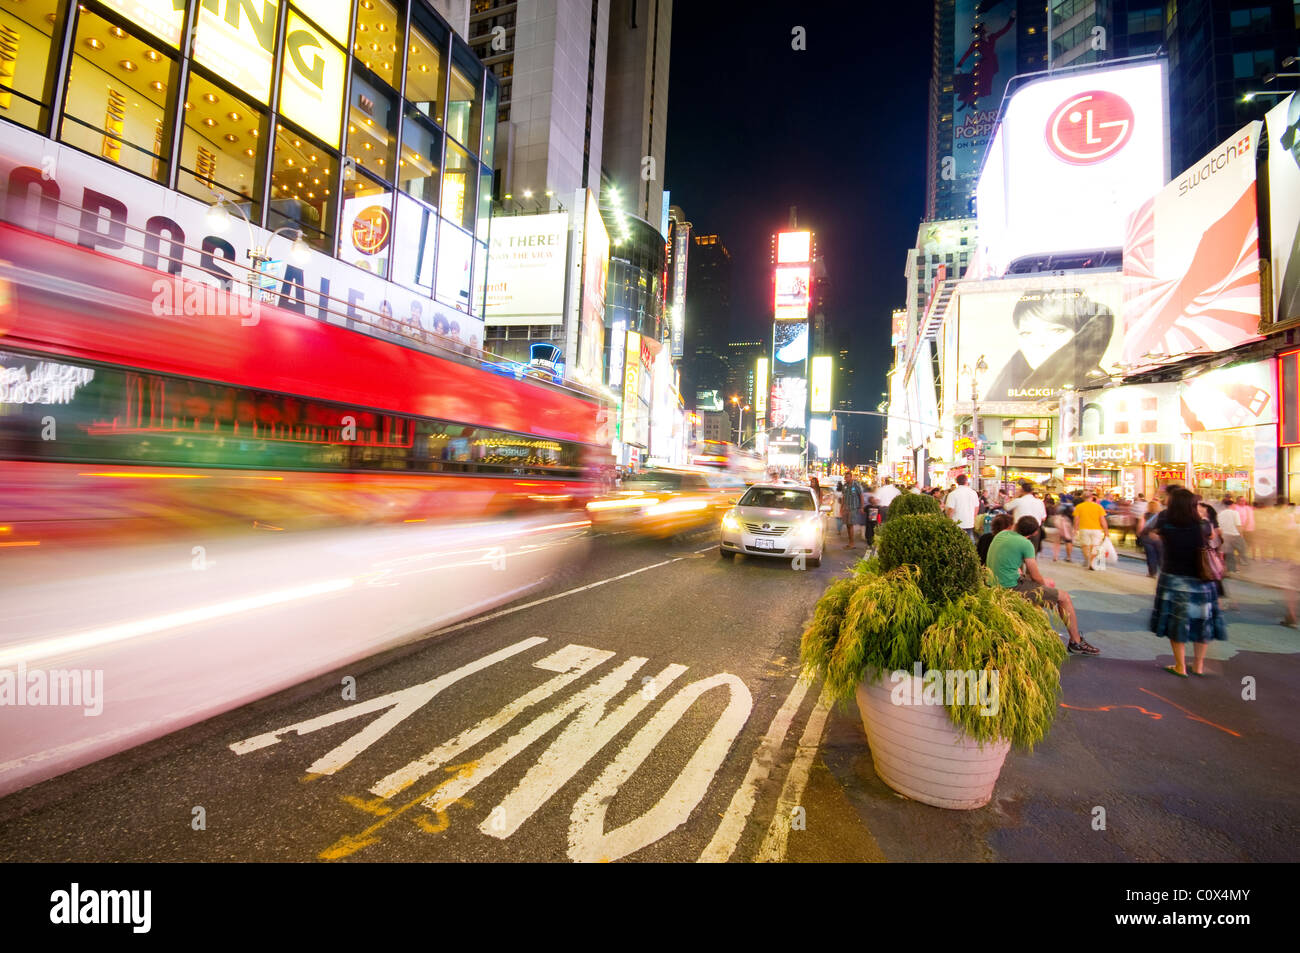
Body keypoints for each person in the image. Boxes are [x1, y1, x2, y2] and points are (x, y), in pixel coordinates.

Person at [987, 515, 1100, 655]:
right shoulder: (1025, 544)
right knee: (1064, 597)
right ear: (1035, 533)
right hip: (1010, 586)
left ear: (1016, 525)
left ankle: (1033, 630)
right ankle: (1075, 641)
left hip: (993, 583)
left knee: (1044, 588)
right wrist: (1044, 583)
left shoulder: (1002, 534)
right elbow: (1035, 575)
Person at [1148, 487, 1228, 676]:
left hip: (1173, 578)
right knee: (1202, 623)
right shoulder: (1202, 524)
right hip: (1202, 579)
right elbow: (1213, 538)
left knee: (1177, 623)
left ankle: (1180, 666)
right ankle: (1198, 665)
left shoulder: (1165, 521)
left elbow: (1150, 533)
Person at [1006, 481, 1047, 553]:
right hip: (1035, 530)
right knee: (1032, 553)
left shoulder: (1018, 501)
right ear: (1032, 491)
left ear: (1022, 490)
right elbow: (1043, 518)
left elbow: (1006, 507)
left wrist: (1015, 496)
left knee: (1018, 552)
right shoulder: (1040, 502)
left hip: (1019, 530)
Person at [1074, 492, 1108, 571]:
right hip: (1096, 529)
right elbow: (1102, 520)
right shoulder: (1098, 507)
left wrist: (1075, 529)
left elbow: (1076, 519)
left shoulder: (1079, 507)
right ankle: (1092, 562)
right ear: (1092, 498)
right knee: (1095, 547)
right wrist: (1106, 531)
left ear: (1082, 498)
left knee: (1085, 546)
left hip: (1084, 529)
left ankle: (1089, 560)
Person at [944, 474, 980, 542]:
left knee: (957, 544)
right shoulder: (973, 493)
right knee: (970, 545)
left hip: (957, 524)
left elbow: (950, 510)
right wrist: (971, 518)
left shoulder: (953, 494)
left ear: (956, 482)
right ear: (967, 481)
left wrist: (948, 522)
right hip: (969, 523)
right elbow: (976, 508)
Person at [1216, 496, 1247, 574]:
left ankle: (1231, 569)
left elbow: (1219, 525)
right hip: (1235, 535)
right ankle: (1239, 565)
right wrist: (1241, 534)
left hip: (1225, 535)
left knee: (1229, 553)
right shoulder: (1235, 513)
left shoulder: (1220, 514)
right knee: (1242, 549)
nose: (1234, 506)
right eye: (1233, 505)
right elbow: (1238, 525)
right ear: (1230, 505)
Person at [1136, 499, 1163, 578]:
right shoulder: (1161, 515)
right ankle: (1162, 572)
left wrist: (1138, 534)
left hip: (1146, 537)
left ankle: (1152, 573)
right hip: (1158, 537)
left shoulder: (1145, 515)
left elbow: (1141, 526)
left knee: (1150, 555)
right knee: (1161, 555)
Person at [843, 476, 864, 549]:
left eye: (848, 477)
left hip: (853, 508)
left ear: (851, 477)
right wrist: (842, 507)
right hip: (846, 508)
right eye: (845, 477)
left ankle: (852, 543)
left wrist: (862, 507)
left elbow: (861, 496)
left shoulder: (856, 485)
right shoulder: (845, 486)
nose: (846, 479)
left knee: (850, 524)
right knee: (848, 525)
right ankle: (850, 542)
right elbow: (843, 497)